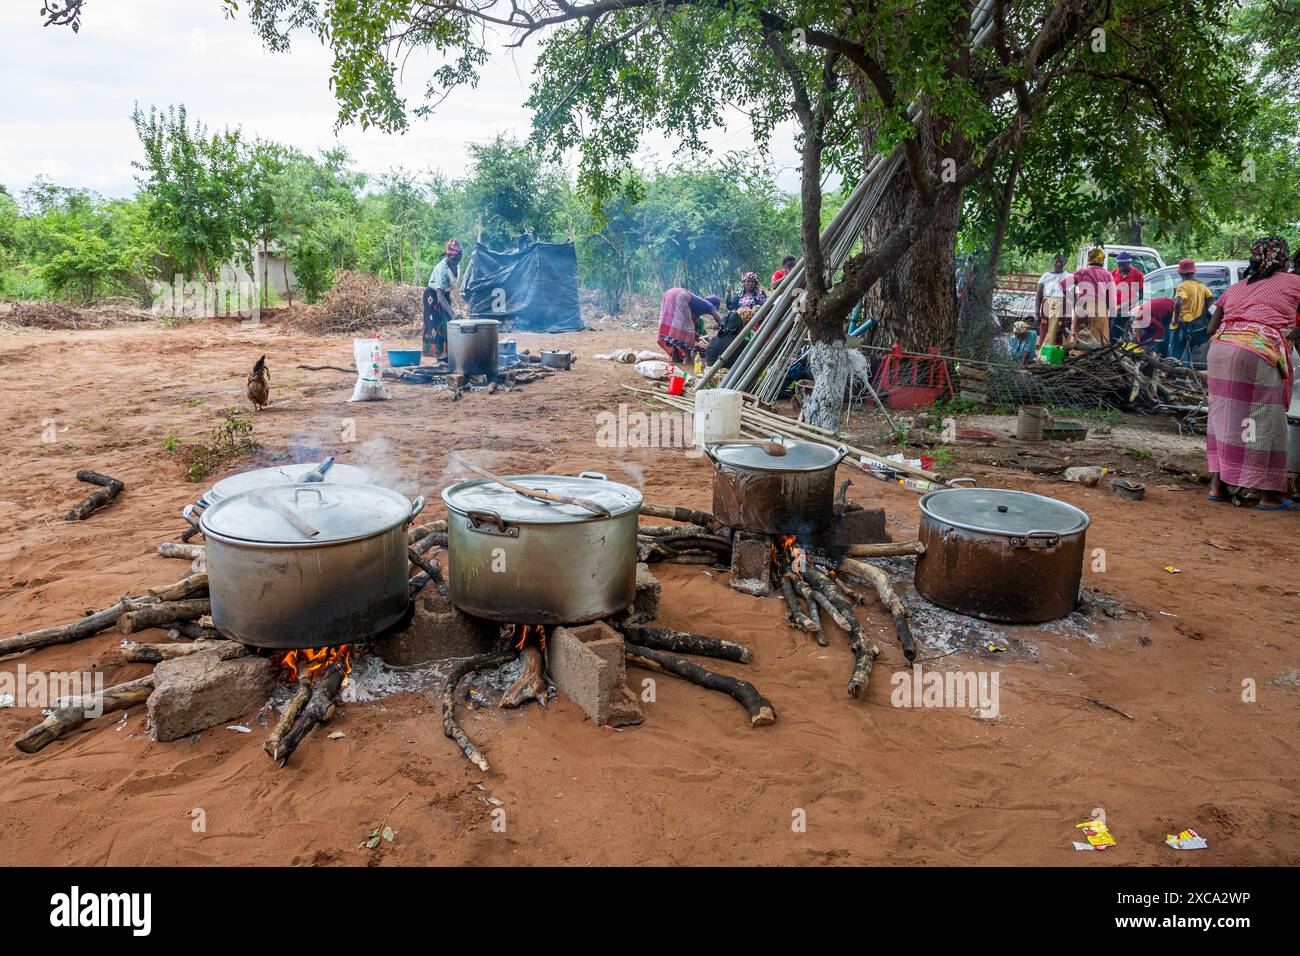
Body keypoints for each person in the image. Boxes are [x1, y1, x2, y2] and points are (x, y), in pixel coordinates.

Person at [1205, 236, 1300, 510]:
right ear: (1284, 258)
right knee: (1263, 421)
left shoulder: (1237, 287)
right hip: (1255, 354)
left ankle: (1217, 486)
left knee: (1224, 418)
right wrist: (1289, 336)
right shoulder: (1294, 283)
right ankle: (1268, 495)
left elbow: (1211, 328)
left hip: (1220, 350)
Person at [1166, 259, 1215, 364]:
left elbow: (1178, 302)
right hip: (1195, 326)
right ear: (1193, 271)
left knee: (1178, 353)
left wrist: (1175, 320)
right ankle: (1186, 374)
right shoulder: (1200, 285)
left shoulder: (1183, 286)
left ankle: (1180, 376)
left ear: (1180, 272)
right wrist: (1203, 310)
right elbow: (1211, 298)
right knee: (1187, 351)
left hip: (1182, 325)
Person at [1064, 247, 1116, 344]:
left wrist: (1074, 300)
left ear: (1089, 259)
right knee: (1098, 337)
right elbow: (1112, 298)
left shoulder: (1081, 272)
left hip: (1081, 305)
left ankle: (1077, 355)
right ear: (1102, 259)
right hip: (1100, 308)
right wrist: (1111, 316)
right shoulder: (1107, 275)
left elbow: (1063, 285)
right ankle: (1094, 357)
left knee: (1079, 335)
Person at [658, 288, 721, 363]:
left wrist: (696, 333)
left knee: (674, 326)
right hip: (681, 295)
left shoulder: (697, 305)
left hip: (668, 293)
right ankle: (687, 358)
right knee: (689, 330)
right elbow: (719, 319)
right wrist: (725, 327)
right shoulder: (709, 305)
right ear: (715, 305)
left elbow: (690, 320)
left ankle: (675, 355)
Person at [423, 239, 462, 358]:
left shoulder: (457, 264)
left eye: (459, 256)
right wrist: (452, 313)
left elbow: (447, 290)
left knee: (448, 323)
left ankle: (447, 355)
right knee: (437, 325)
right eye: (454, 257)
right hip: (433, 296)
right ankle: (439, 356)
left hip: (444, 295)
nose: (457, 260)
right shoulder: (442, 269)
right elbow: (439, 296)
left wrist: (452, 311)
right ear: (448, 255)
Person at [1034, 254, 1069, 348]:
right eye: (1056, 261)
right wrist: (1036, 313)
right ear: (1052, 262)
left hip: (1062, 307)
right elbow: (1038, 295)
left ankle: (1056, 356)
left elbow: (1071, 295)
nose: (1058, 264)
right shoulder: (1045, 276)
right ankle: (1043, 355)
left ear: (1065, 263)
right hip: (1047, 306)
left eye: (1061, 262)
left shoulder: (1068, 276)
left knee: (1059, 331)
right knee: (1045, 330)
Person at [1110, 251, 1145, 342]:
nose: (1121, 268)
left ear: (1129, 263)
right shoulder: (1114, 273)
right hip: (1114, 309)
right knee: (1112, 335)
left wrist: (1125, 305)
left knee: (1125, 335)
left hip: (1128, 311)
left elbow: (1141, 295)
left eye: (1123, 265)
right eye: (1119, 265)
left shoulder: (1138, 275)